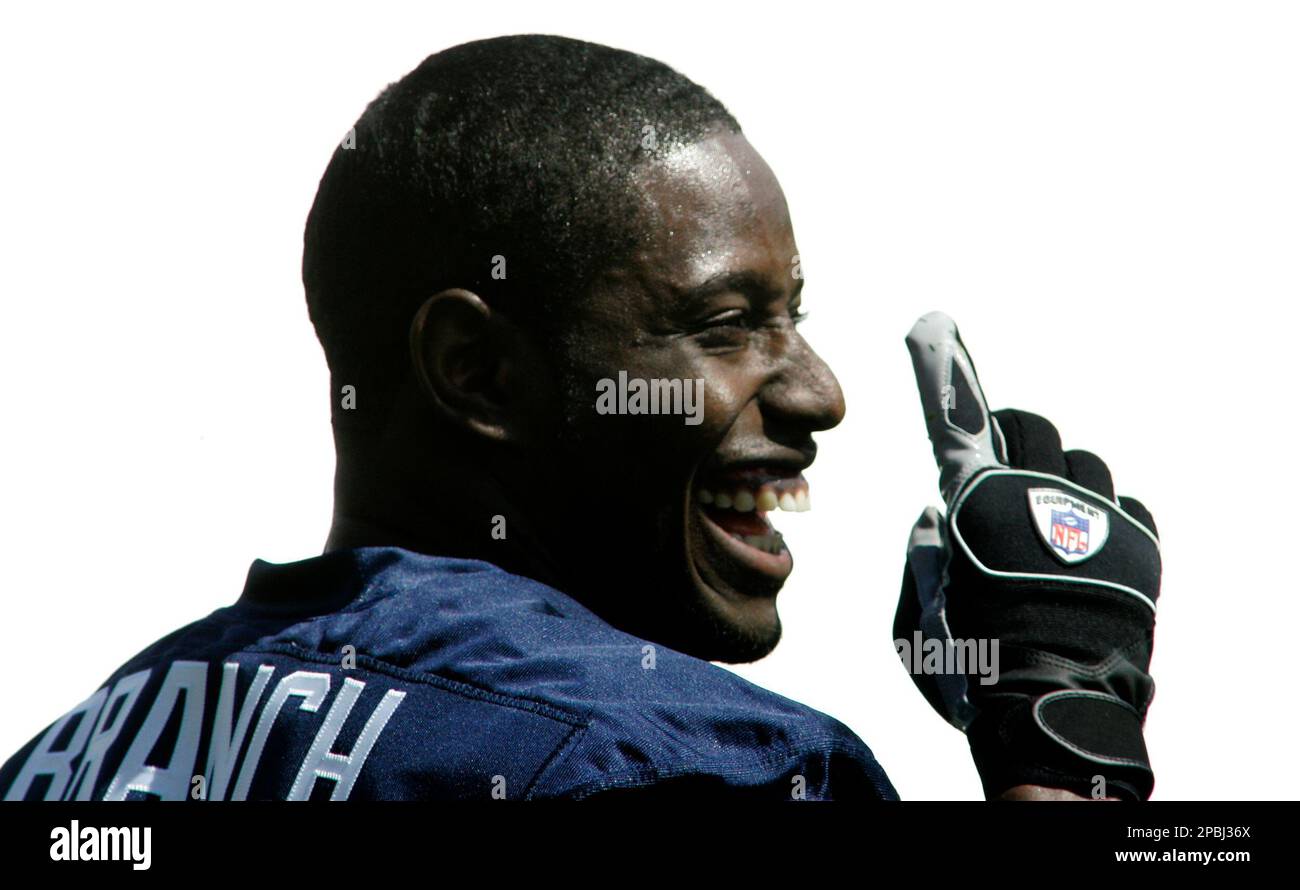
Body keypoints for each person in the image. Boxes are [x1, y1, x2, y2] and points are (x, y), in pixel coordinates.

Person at [0, 34, 1160, 801]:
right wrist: (1062, 752)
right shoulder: (685, 765)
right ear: (477, 371)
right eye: (726, 323)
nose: (820, 391)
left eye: (794, 317)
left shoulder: (65, 759)